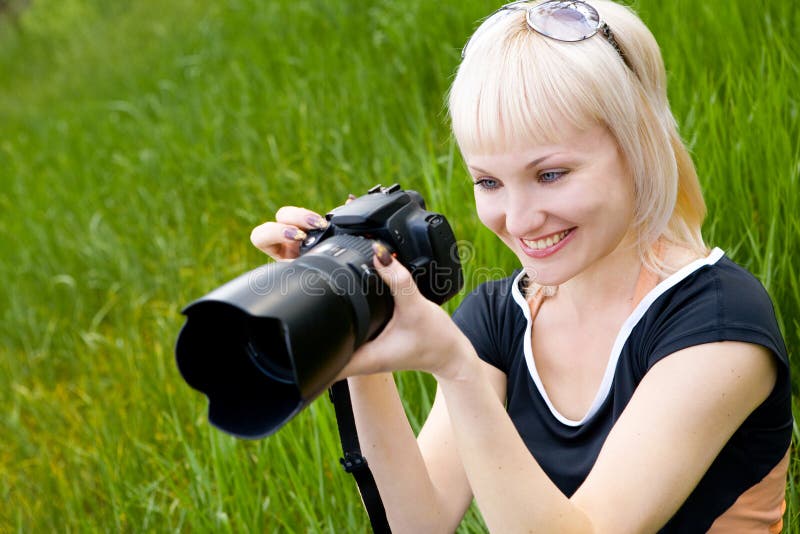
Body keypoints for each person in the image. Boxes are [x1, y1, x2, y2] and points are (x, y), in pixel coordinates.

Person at [250, 0, 792, 531]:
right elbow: (419, 521)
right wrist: (355, 318)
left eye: (551, 174)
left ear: (638, 148)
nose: (519, 218)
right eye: (488, 182)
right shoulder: (500, 315)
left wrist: (456, 369)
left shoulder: (718, 323)